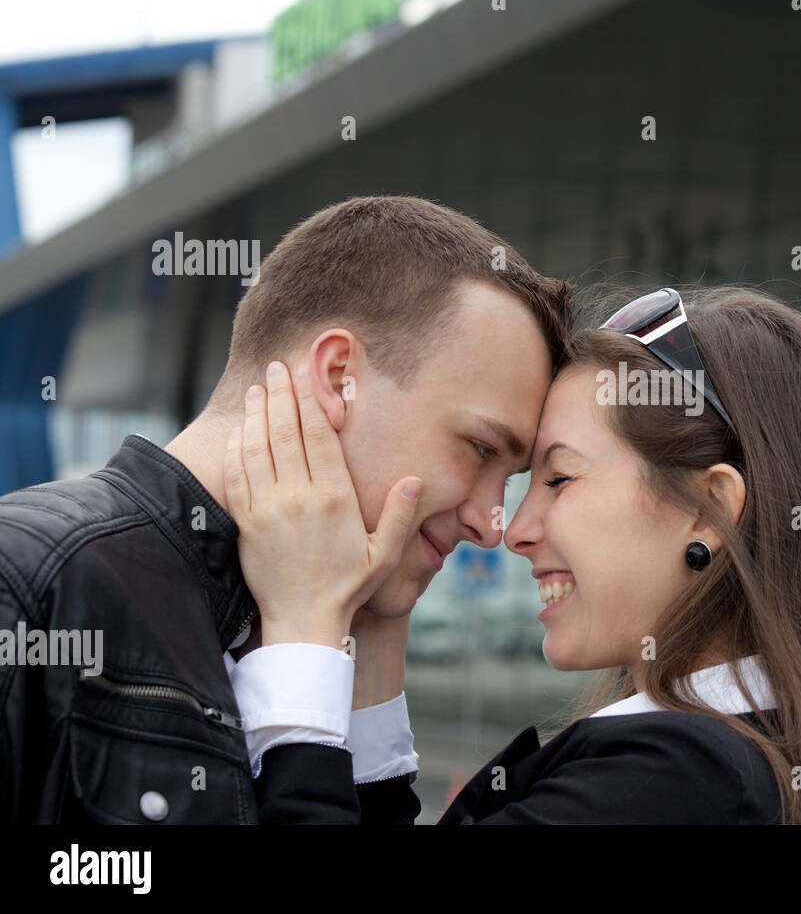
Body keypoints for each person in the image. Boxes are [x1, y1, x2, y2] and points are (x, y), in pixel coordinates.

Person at [226, 285, 801, 823]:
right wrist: (376, 628)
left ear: (709, 509)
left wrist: (306, 630)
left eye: (559, 479)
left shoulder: (675, 781)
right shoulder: (734, 760)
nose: (513, 529)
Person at [0, 196, 573, 823]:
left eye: (510, 476)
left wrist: (366, 630)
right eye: (480, 448)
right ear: (336, 377)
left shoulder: (324, 623)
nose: (491, 525)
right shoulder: (29, 580)